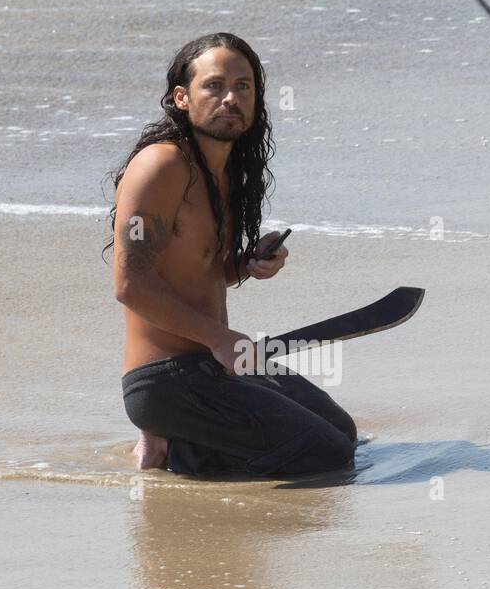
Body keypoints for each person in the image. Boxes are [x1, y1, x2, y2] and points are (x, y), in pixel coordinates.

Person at [103, 32, 357, 477]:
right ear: (182, 98)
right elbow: (131, 284)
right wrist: (219, 338)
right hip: (166, 378)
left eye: (243, 87)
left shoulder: (224, 173)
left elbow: (197, 271)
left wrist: (246, 265)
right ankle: (175, 447)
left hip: (211, 364)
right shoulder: (160, 167)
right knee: (326, 453)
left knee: (341, 431)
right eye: (214, 86)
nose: (230, 98)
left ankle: (182, 441)